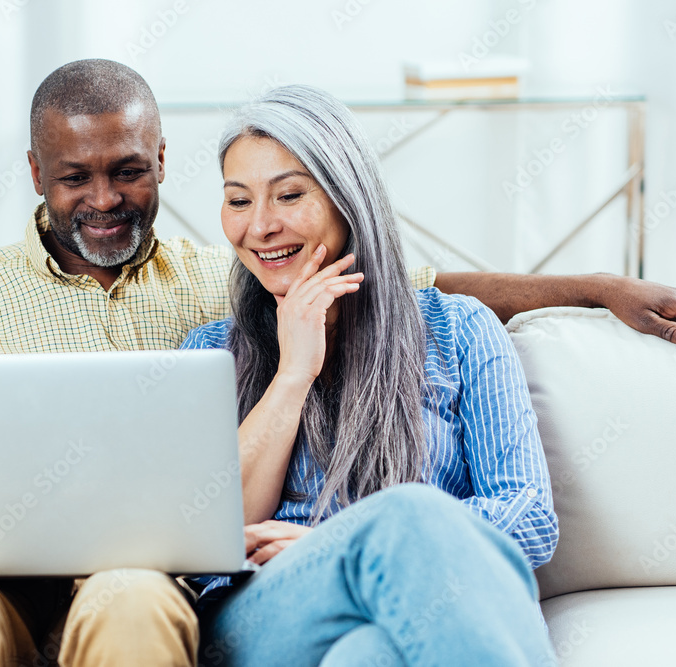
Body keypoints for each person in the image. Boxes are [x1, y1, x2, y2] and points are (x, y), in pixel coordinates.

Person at [0, 59, 676, 667]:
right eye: (242, 200)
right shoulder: (208, 330)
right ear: (37, 174)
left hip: (163, 596)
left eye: (127, 170)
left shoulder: (236, 286)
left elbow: (427, 290)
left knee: (347, 647)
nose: (104, 198)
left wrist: (598, 286)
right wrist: (290, 371)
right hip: (87, 592)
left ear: (160, 164)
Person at [180, 84, 558, 666]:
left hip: (416, 609)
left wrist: (347, 545)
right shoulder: (210, 355)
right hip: (266, 618)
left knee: (370, 653)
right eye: (238, 201)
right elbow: (204, 544)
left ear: (347, 199)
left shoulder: (458, 330)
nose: (260, 226)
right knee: (411, 515)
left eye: (289, 195)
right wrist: (293, 372)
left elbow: (529, 513)